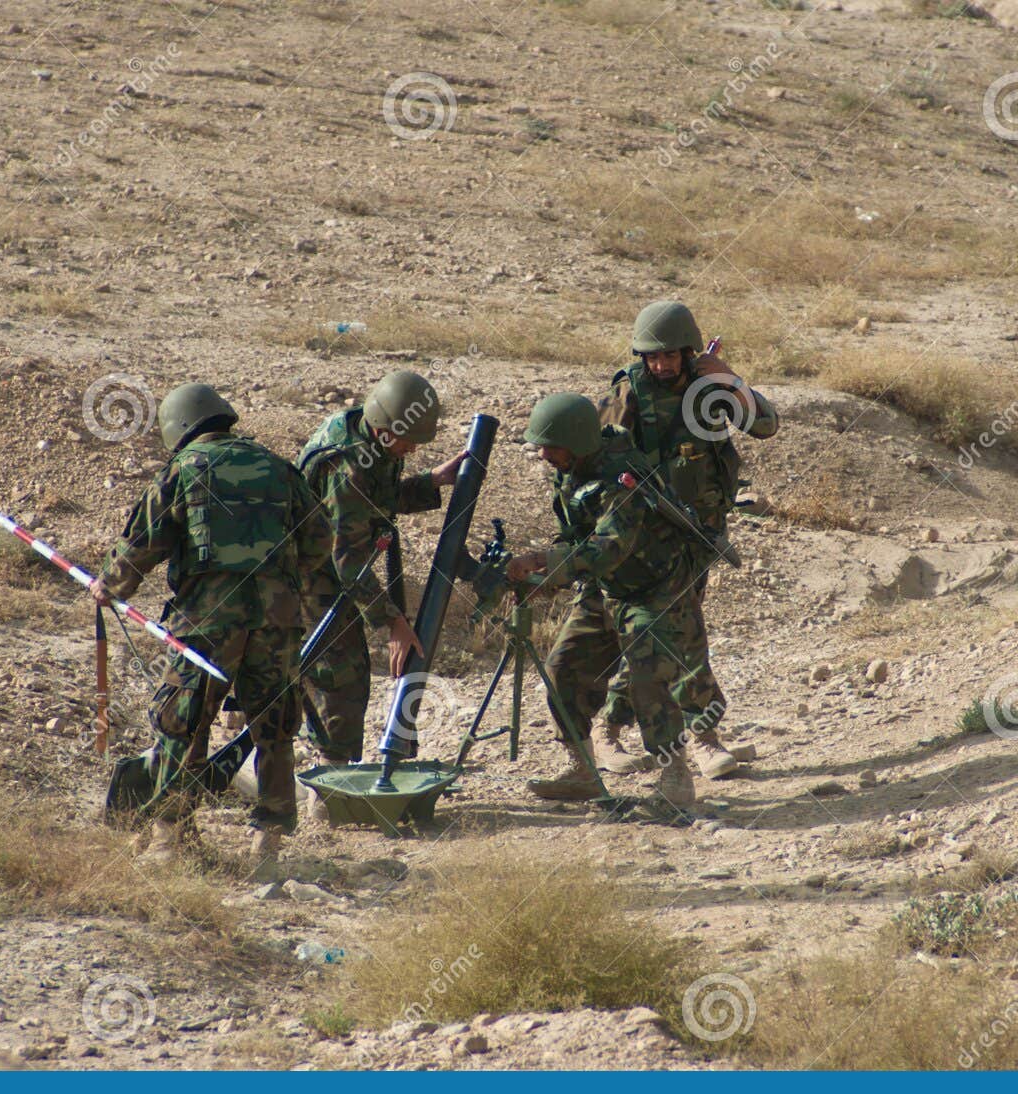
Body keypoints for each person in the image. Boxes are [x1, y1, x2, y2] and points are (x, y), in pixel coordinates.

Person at [90, 382, 333, 862]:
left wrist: (109, 586)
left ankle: (169, 840)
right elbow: (320, 539)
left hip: (205, 623)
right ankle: (268, 844)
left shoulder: (182, 470)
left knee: (181, 722)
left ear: (179, 427)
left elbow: (144, 542)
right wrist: (278, 579)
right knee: (275, 727)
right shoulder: (278, 469)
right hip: (276, 621)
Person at [594, 300, 779, 780]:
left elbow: (765, 425)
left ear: (689, 351)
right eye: (651, 357)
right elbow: (598, 462)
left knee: (658, 637)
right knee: (682, 637)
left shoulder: (709, 386)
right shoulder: (628, 393)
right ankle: (704, 740)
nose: (660, 365)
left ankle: (607, 729)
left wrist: (731, 379)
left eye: (670, 356)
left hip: (700, 535)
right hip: (647, 541)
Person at [504, 392, 708, 811]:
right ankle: (583, 772)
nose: (543, 454)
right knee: (563, 668)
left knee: (648, 674)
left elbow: (606, 549)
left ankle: (675, 776)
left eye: (551, 446)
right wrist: (547, 577)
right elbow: (574, 535)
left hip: (656, 589)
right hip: (607, 588)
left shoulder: (623, 479)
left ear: (576, 443)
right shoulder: (571, 471)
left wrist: (544, 561)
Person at [293, 370, 466, 764]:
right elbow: (347, 559)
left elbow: (376, 502)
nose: (413, 450)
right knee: (340, 674)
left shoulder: (370, 435)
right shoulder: (348, 465)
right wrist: (392, 622)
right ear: (387, 428)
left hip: (329, 566)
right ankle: (331, 781)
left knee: (333, 670)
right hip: (310, 574)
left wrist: (432, 481)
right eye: (409, 441)